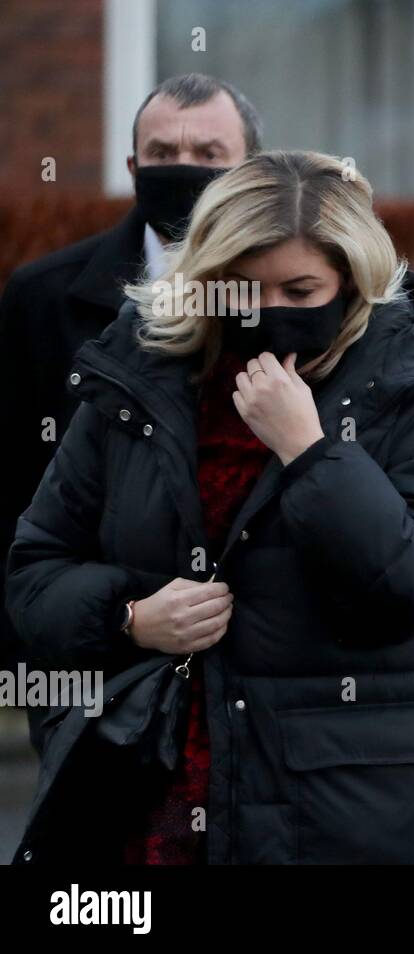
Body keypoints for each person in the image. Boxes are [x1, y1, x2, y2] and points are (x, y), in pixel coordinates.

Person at [7, 151, 414, 865]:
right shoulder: (141, 384)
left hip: (344, 816)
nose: (270, 314)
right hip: (156, 807)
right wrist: (132, 616)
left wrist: (312, 453)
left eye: (301, 291)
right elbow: (34, 573)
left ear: (351, 282)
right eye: (242, 291)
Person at [0, 74, 261, 755]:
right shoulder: (44, 297)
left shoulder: (292, 296)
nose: (185, 170)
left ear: (249, 171)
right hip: (98, 666)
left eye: (209, 154)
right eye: (163, 153)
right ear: (131, 167)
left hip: (259, 667)